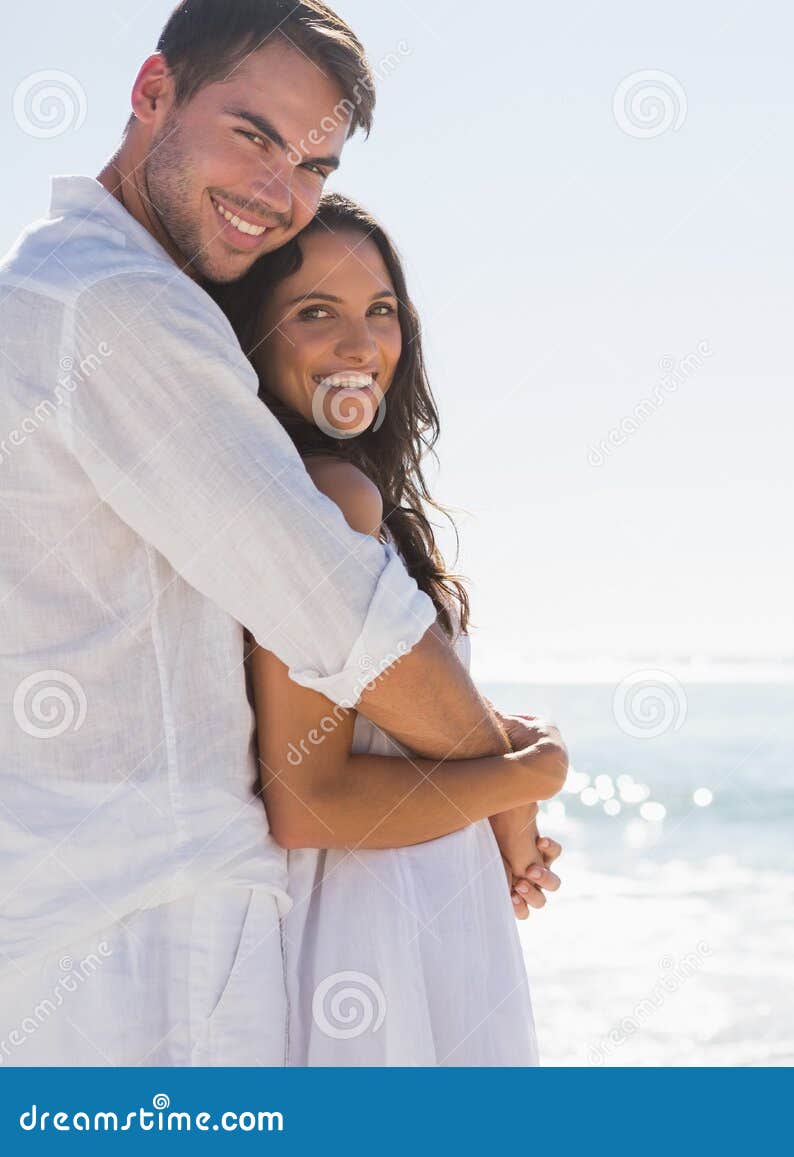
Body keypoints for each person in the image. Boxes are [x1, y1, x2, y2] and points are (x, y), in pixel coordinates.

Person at [0, 0, 564, 1066]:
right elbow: (343, 619)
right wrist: (523, 777)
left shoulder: (61, 289)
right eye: (253, 134)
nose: (278, 192)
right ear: (152, 93)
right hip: (138, 952)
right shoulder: (115, 305)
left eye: (313, 162)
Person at [210, 193, 558, 1063]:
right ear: (251, 334)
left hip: (413, 918)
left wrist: (497, 761)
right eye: (315, 311)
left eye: (381, 311)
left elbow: (382, 715)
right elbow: (308, 800)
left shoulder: (344, 495)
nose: (361, 345)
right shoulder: (331, 497)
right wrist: (528, 774)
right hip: (374, 944)